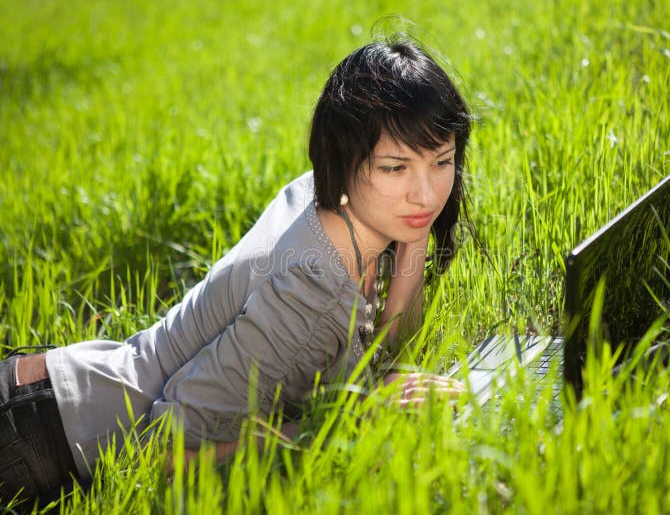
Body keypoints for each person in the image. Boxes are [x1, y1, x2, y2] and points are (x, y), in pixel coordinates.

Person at [0, 38, 472, 505]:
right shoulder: (309, 290)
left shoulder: (328, 200)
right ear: (346, 157)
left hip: (50, 398)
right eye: (395, 168)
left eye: (441, 162)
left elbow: (390, 352)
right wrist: (345, 420)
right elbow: (155, 455)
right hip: (37, 442)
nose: (427, 194)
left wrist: (414, 238)